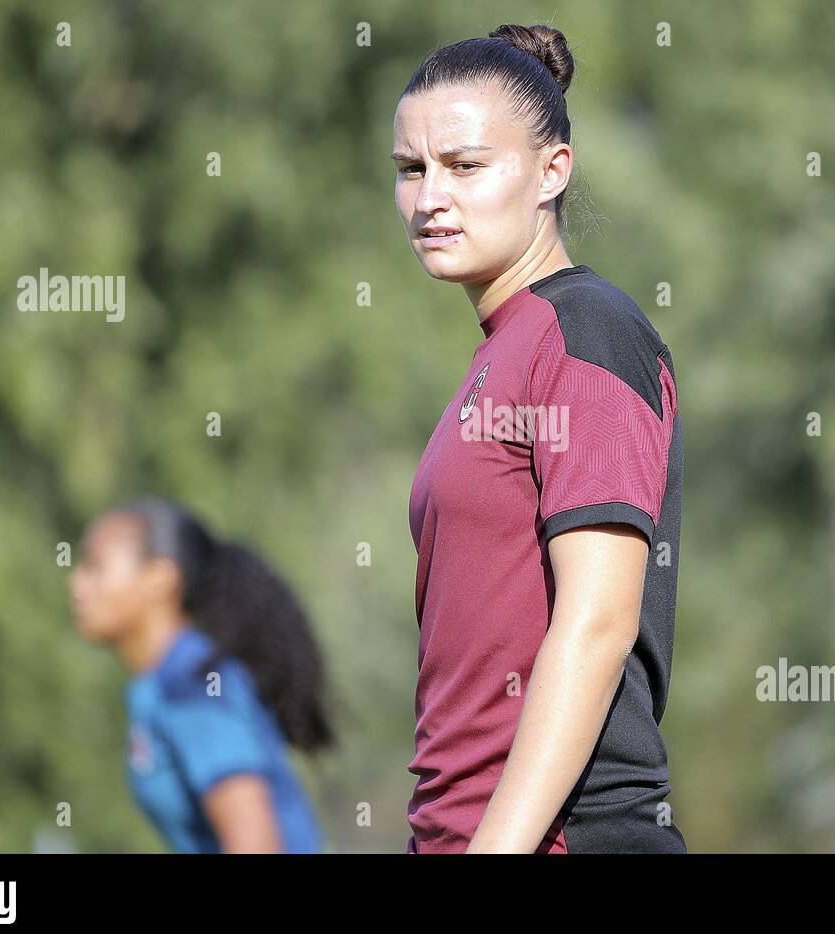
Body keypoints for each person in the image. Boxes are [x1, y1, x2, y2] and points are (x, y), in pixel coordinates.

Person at [392, 23, 686, 852]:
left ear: (552, 170)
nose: (429, 197)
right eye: (411, 170)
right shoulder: (504, 351)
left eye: (465, 165)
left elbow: (597, 622)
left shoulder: (589, 330)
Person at [68, 497, 333, 853]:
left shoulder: (192, 684)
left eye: (94, 566)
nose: (77, 584)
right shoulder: (163, 684)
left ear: (160, 580)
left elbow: (254, 847)